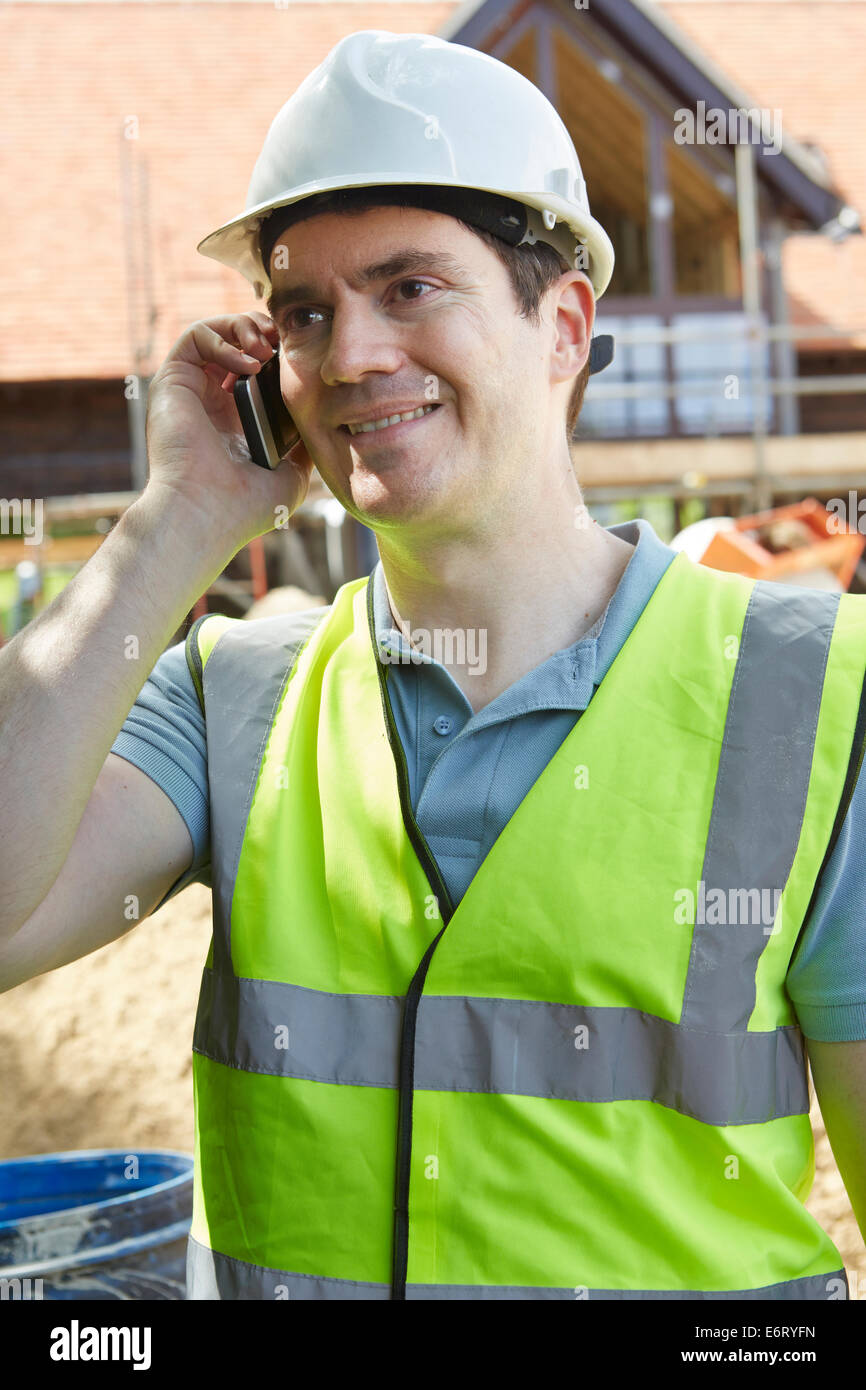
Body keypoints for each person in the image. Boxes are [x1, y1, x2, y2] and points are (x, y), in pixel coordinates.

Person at [1, 30, 864, 1302]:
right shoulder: (228, 698)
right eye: (306, 311)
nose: (350, 356)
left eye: (410, 288)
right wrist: (179, 519)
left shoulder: (809, 698)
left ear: (563, 326)